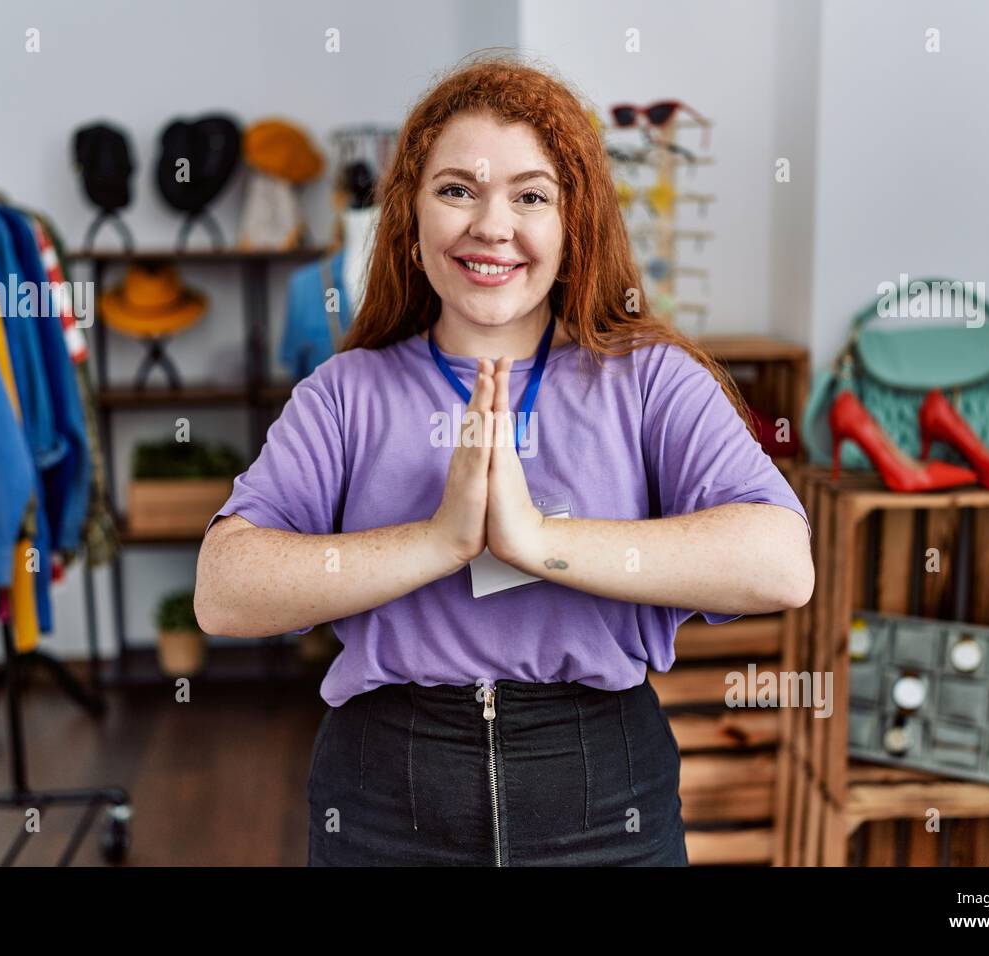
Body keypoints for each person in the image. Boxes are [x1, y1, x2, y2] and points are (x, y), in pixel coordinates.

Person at [194, 53, 814, 867]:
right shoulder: (345, 392)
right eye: (458, 190)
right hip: (383, 798)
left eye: (530, 196)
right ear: (410, 224)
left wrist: (535, 540)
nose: (492, 226)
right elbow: (223, 591)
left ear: (572, 224)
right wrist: (439, 540)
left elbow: (780, 565)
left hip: (604, 792)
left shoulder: (652, 380)